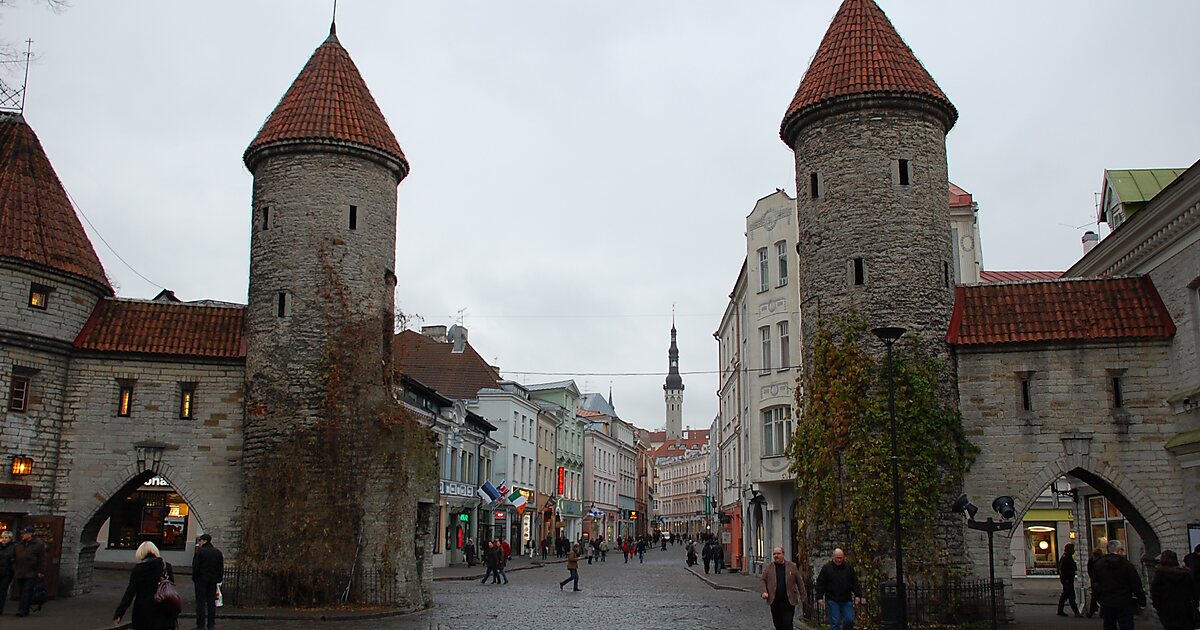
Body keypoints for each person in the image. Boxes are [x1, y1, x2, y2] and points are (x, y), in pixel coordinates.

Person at [113, 541, 179, 630]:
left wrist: (119, 613)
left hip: (142, 611)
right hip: (163, 609)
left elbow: (130, 593)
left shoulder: (138, 569)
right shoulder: (166, 567)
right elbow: (171, 587)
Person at [1092, 539, 1146, 630]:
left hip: (1107, 601)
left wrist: (1097, 598)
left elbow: (1095, 583)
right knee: (1126, 625)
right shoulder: (1127, 565)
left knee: (1109, 625)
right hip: (1124, 601)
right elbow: (1136, 584)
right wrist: (1141, 600)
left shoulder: (1099, 565)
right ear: (1119, 550)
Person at [816, 548, 863, 630]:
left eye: (841, 558)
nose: (839, 560)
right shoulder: (826, 568)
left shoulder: (848, 568)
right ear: (833, 557)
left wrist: (857, 595)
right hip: (832, 599)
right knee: (835, 622)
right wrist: (819, 597)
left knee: (849, 620)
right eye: (837, 558)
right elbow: (820, 583)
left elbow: (854, 582)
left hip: (846, 599)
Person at [1150, 550, 1198, 630]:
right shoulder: (1185, 574)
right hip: (1185, 611)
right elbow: (1193, 592)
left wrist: (1158, 608)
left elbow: (1155, 594)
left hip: (1167, 611)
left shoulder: (1159, 575)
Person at [760, 546, 804, 630]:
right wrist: (764, 591)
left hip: (788, 601)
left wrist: (803, 595)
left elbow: (799, 581)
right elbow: (762, 580)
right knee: (778, 624)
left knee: (787, 623)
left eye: (778, 554)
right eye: (774, 554)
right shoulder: (769, 568)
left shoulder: (792, 566)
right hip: (775, 601)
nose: (776, 556)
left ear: (783, 554)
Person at [192, 533, 224, 630]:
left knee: (200, 603)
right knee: (211, 603)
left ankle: (200, 625)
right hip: (212, 580)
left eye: (200, 541)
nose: (199, 543)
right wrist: (218, 579)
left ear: (204, 541)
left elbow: (196, 567)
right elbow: (220, 568)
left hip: (201, 579)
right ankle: (211, 624)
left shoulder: (200, 553)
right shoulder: (217, 552)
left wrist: (195, 578)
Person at [12, 526, 44, 618]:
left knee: (27, 590)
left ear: (30, 534)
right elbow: (14, 557)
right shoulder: (19, 545)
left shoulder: (38, 544)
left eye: (24, 533)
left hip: (31, 571)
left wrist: (40, 570)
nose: (22, 535)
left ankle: (21, 610)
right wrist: (14, 567)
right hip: (19, 571)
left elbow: (41, 558)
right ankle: (25, 609)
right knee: (22, 591)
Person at [1057, 543, 1082, 617]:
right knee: (1071, 595)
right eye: (1072, 549)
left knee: (1065, 595)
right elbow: (1063, 569)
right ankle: (1076, 612)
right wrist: (1067, 577)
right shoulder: (1066, 558)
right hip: (1067, 579)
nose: (1074, 551)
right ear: (1069, 550)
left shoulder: (1067, 557)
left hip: (1067, 579)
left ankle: (1060, 610)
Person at [1086, 546, 1104, 618]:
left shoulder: (1093, 561)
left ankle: (1093, 611)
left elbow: (1090, 570)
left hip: (1096, 580)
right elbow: (1090, 570)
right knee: (1097, 596)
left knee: (1096, 596)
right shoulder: (1099, 561)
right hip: (1097, 580)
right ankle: (1093, 611)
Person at [0, 530, 15, 616]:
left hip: (7, 572)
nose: (4, 539)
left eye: (6, 538)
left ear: (10, 539)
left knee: (2, 590)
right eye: (3, 537)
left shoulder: (13, 547)